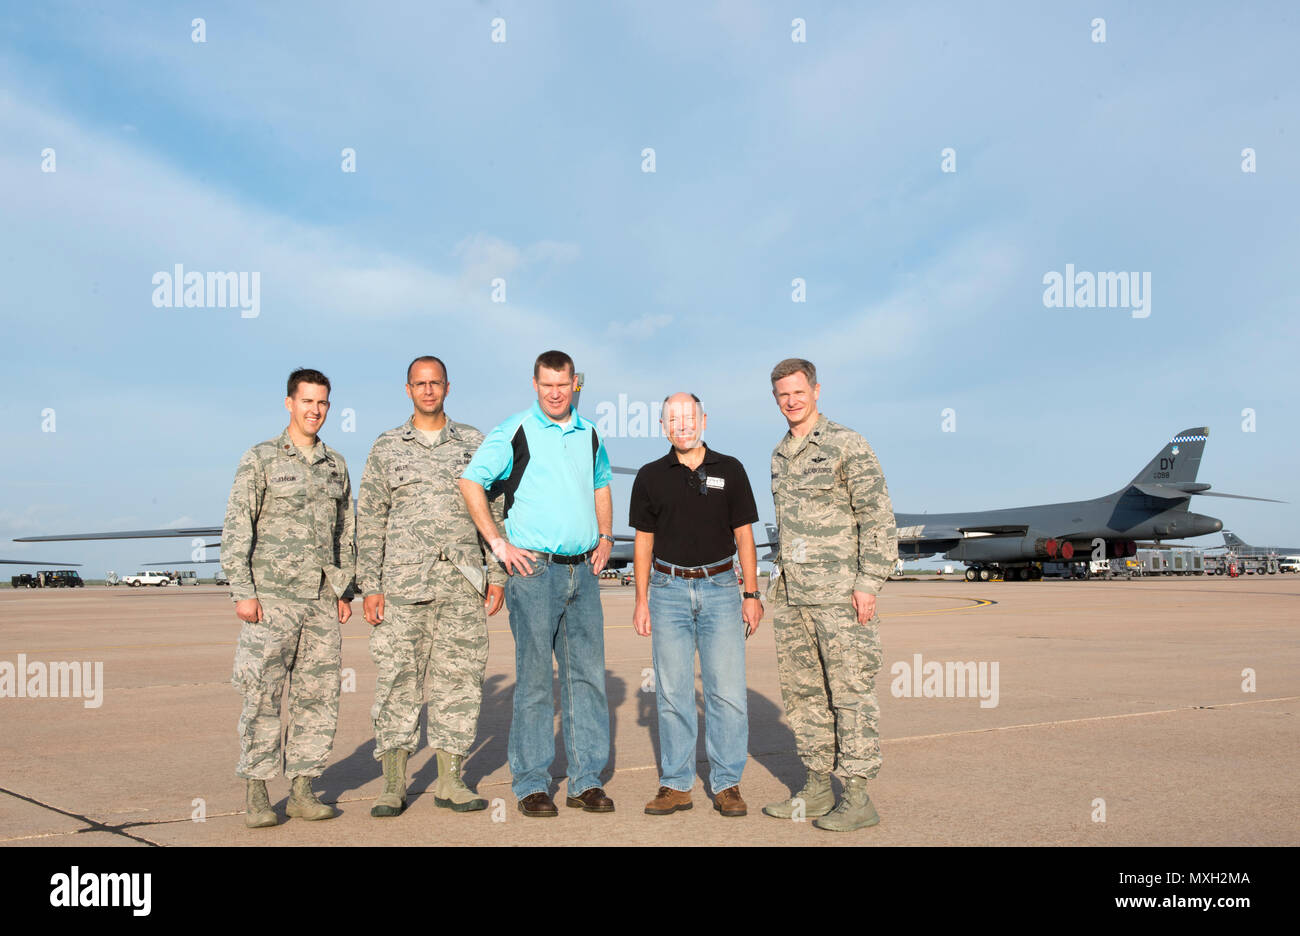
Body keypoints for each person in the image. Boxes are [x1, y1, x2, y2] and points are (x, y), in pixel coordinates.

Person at [458, 350, 615, 818]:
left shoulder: (589, 433)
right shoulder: (515, 430)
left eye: (563, 384)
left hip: (582, 572)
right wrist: (498, 545)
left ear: (575, 385)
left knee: (587, 679)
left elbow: (601, 483)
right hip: (534, 573)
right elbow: (471, 481)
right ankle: (531, 783)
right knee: (534, 683)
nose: (555, 392)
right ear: (535, 384)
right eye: (547, 384)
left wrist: (604, 535)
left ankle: (586, 781)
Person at [356, 356, 506, 817]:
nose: (427, 390)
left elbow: (494, 509)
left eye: (434, 383)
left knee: (458, 683)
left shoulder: (474, 443)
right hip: (403, 587)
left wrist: (496, 574)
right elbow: (370, 518)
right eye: (419, 384)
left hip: (462, 585)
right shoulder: (386, 447)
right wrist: (371, 585)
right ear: (408, 390)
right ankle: (393, 785)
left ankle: (451, 781)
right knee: (398, 684)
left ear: (447, 387)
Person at [762, 358, 897, 832]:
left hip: (840, 596)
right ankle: (818, 785)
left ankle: (857, 795)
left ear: (817, 390)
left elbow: (877, 517)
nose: (791, 401)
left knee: (851, 692)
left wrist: (868, 583)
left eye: (798, 392)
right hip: (794, 596)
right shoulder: (780, 454)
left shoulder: (847, 444)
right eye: (782, 395)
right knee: (804, 695)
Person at [222, 368, 355, 828]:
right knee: (262, 695)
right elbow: (239, 526)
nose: (314, 410)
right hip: (271, 599)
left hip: (320, 600)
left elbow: (345, 532)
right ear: (288, 403)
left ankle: (303, 789)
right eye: (307, 401)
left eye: (322, 403)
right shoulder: (260, 459)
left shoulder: (335, 464)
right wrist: (243, 591)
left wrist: (343, 588)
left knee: (317, 697)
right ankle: (258, 794)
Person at [630, 393, 762, 817]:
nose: (682, 424)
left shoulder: (731, 469)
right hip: (667, 591)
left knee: (726, 692)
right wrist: (641, 600)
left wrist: (751, 594)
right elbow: (643, 542)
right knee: (672, 693)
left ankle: (727, 784)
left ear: (703, 419)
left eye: (688, 416)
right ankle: (676, 784)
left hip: (722, 588)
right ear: (663, 424)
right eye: (673, 418)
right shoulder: (650, 476)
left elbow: (744, 536)